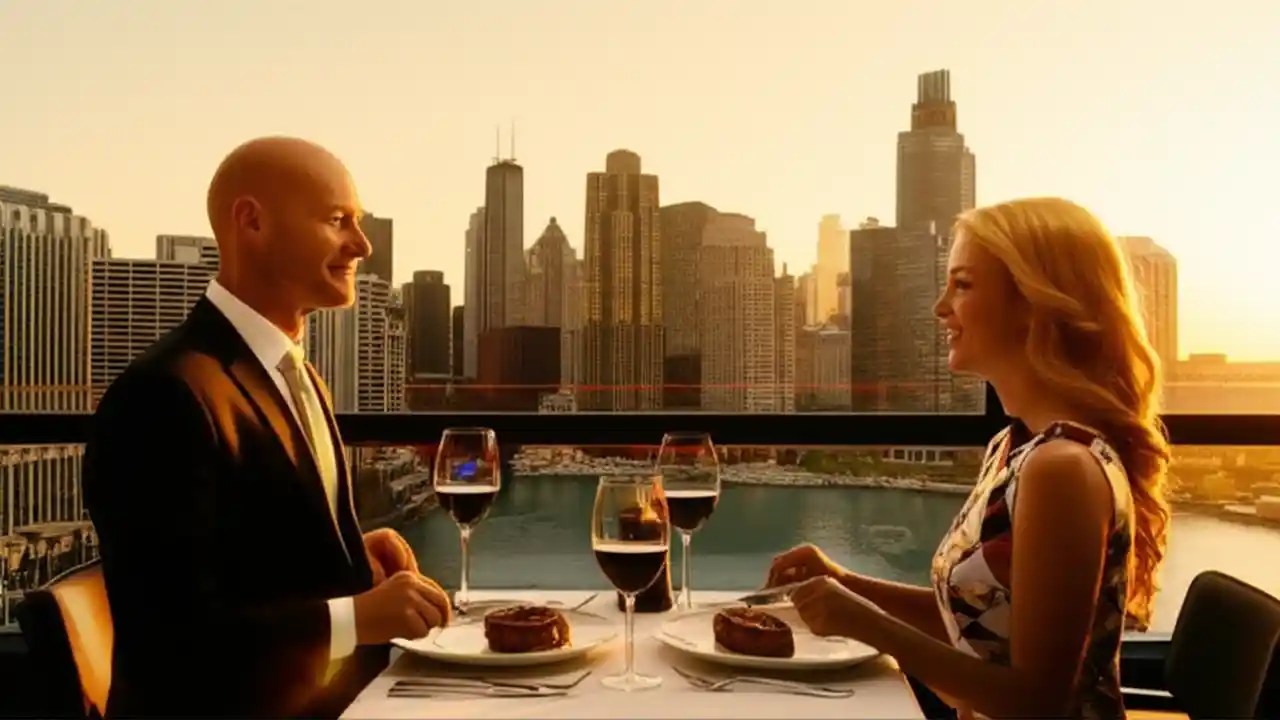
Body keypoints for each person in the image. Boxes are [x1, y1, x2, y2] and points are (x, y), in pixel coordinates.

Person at [82, 136, 453, 719]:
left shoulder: (291, 373)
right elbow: (170, 638)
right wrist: (360, 617)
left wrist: (350, 558)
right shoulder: (163, 396)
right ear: (251, 223)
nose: (363, 244)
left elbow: (243, 562)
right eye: (338, 221)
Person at [770, 197, 1171, 719]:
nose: (941, 307)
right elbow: (975, 624)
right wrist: (846, 583)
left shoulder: (1062, 470)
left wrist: (868, 625)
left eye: (962, 285)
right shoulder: (1013, 449)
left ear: (1034, 303)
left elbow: (1035, 703)